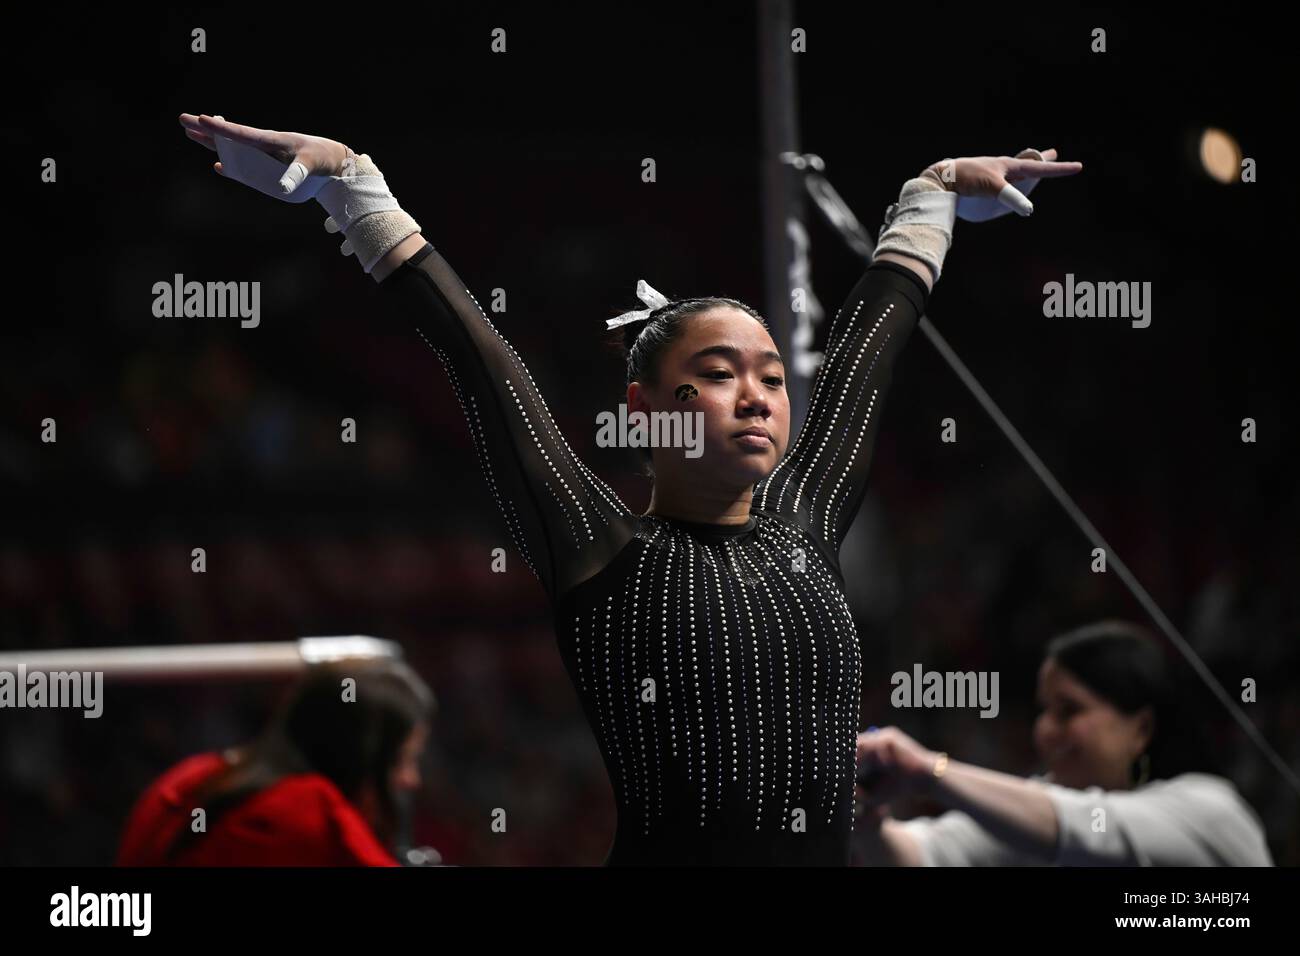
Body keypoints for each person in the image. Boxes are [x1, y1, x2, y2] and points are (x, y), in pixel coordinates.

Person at [176, 112, 1081, 864]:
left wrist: (930, 199)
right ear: (645, 409)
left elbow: (867, 352)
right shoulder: (601, 551)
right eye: (722, 373)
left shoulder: (804, 521)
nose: (759, 396)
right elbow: (482, 364)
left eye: (770, 376)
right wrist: (351, 185)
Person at [852, 620, 1273, 866]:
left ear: (1141, 728)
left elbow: (1093, 828)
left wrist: (929, 771)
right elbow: (926, 854)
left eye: (1069, 710)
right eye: (1044, 711)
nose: (1045, 730)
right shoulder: (1036, 818)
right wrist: (864, 813)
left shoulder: (1212, 811)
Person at [117, 660, 434, 866]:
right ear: (357, 754)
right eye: (400, 761)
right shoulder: (306, 815)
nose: (411, 780)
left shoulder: (190, 775)